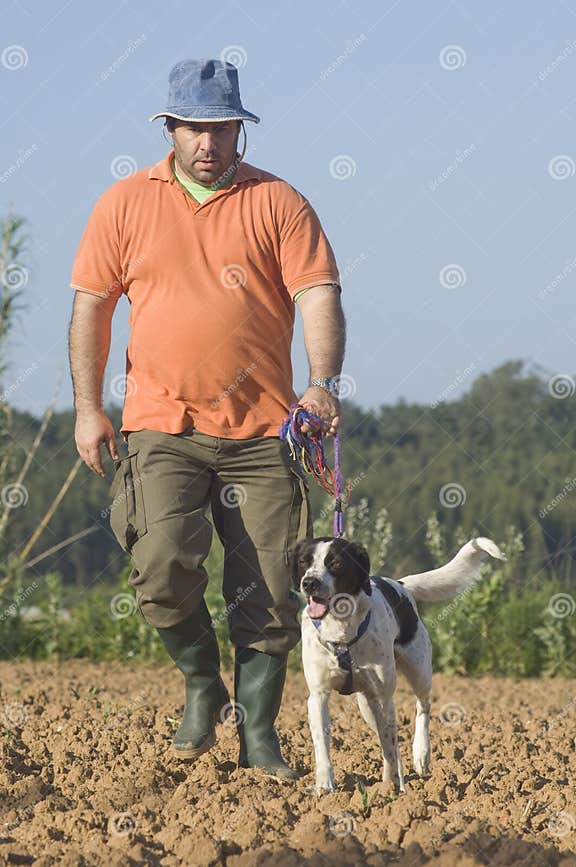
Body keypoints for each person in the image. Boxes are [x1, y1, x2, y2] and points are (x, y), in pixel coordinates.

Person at [68, 58, 346, 779]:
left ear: (239, 130)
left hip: (264, 433)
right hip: (161, 425)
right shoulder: (124, 203)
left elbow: (317, 293)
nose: (208, 144)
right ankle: (201, 683)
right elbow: (91, 307)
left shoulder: (279, 202)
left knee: (275, 594)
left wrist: (320, 384)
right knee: (160, 565)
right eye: (194, 128)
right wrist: (90, 407)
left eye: (222, 129)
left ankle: (259, 733)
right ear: (170, 128)